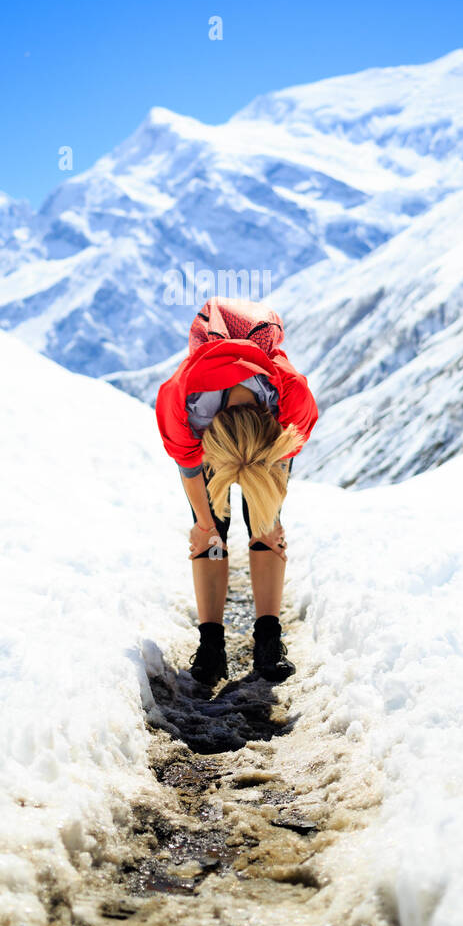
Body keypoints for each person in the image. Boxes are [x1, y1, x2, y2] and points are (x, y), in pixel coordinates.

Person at [155, 294, 319, 686]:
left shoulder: (292, 406)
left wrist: (270, 517)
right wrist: (204, 522)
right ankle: (211, 645)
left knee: (266, 523)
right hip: (213, 425)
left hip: (267, 433)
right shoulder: (182, 407)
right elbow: (191, 469)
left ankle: (268, 641)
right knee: (210, 532)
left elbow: (270, 494)